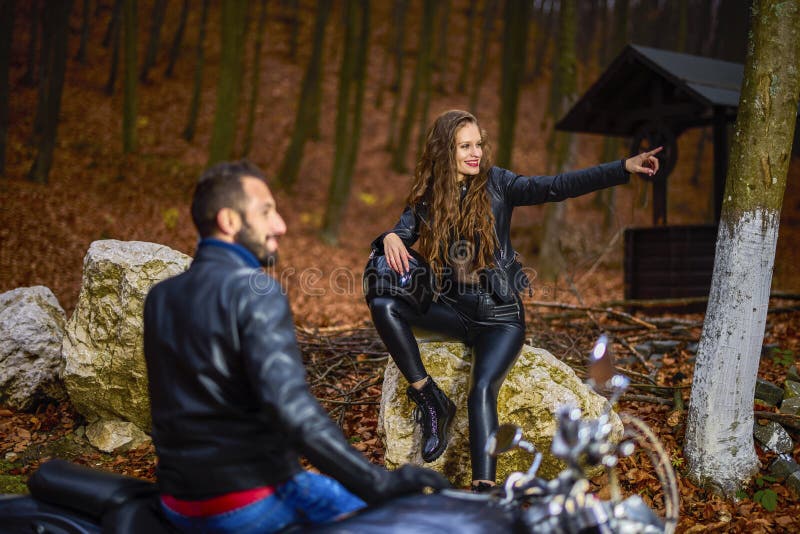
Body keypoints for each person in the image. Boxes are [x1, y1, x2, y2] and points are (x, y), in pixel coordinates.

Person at [143, 160, 449, 534]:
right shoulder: (256, 294)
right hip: (248, 498)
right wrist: (379, 483)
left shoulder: (161, 298)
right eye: (266, 212)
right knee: (399, 521)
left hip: (177, 501)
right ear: (229, 220)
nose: (280, 225)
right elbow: (294, 411)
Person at [368, 109, 660, 492]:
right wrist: (389, 237)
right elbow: (401, 234)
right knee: (384, 304)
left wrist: (622, 167)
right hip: (453, 312)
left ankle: (484, 488)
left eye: (478, 144)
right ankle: (429, 397)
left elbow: (556, 186)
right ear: (444, 150)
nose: (476, 153)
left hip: (500, 318)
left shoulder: (498, 183)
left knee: (481, 388)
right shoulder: (428, 198)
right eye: (465, 146)